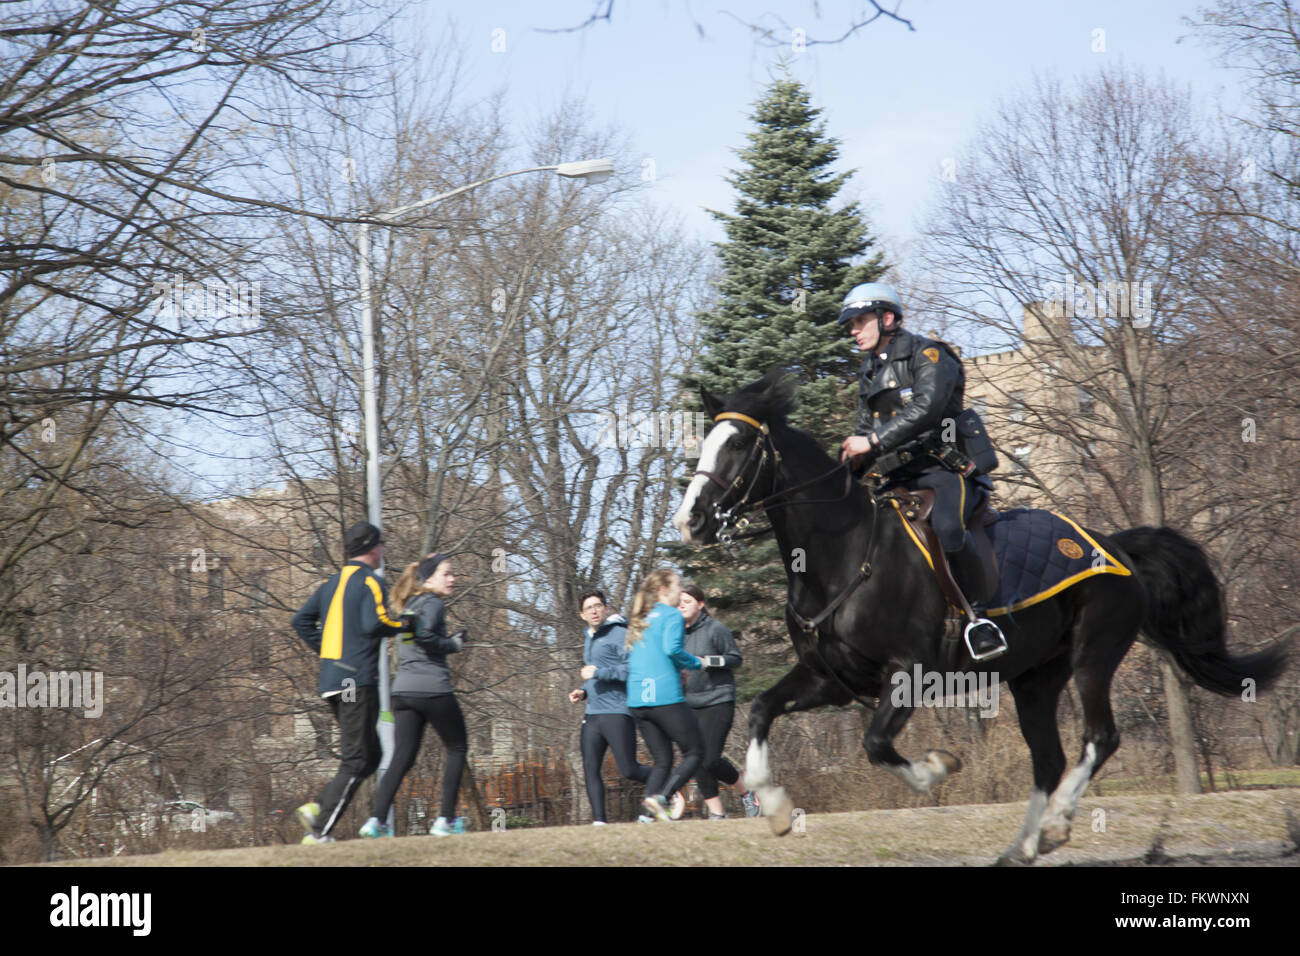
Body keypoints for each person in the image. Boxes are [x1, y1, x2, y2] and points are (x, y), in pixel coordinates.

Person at [835, 282, 1007, 661]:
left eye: (860, 321)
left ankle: (979, 619)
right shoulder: (868, 371)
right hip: (898, 477)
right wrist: (855, 454)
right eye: (851, 324)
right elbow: (865, 428)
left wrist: (873, 443)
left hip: (946, 471)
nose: (853, 330)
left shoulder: (929, 355)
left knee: (947, 527)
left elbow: (927, 408)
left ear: (888, 318)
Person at [291, 521, 404, 844]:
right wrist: (408, 622)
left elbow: (300, 621)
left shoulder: (332, 582)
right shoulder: (370, 582)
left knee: (370, 754)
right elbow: (377, 622)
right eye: (381, 544)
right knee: (357, 758)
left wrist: (328, 653)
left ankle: (319, 809)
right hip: (356, 681)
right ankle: (319, 830)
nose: (383, 550)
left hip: (331, 681)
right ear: (372, 547)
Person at [359, 553, 469, 839]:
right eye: (447, 573)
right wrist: (452, 644)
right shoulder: (432, 603)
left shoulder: (410, 606)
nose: (452, 579)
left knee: (402, 758)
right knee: (457, 748)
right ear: (429, 578)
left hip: (403, 692)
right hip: (432, 688)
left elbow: (409, 642)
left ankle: (377, 821)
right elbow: (426, 637)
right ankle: (445, 820)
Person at [625, 569, 705, 823]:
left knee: (662, 760)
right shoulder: (672, 615)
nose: (681, 592)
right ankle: (664, 797)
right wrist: (695, 663)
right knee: (695, 751)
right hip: (664, 697)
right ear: (662, 590)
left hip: (638, 700)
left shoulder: (642, 617)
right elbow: (672, 649)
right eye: (677, 586)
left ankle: (646, 817)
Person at [567, 588, 652, 825]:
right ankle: (599, 821)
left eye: (597, 606)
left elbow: (632, 670)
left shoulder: (620, 634)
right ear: (581, 614)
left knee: (629, 770)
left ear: (605, 608)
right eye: (588, 608)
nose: (593, 611)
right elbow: (594, 673)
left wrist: (600, 672)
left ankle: (666, 783)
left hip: (617, 711)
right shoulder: (589, 637)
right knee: (590, 768)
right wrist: (583, 691)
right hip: (593, 713)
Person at [678, 583, 758, 819]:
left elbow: (735, 659)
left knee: (711, 758)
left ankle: (746, 791)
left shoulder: (716, 629)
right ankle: (717, 814)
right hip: (688, 703)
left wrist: (707, 661)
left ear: (701, 605)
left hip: (718, 700)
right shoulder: (676, 634)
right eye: (678, 602)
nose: (681, 605)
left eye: (687, 601)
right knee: (695, 759)